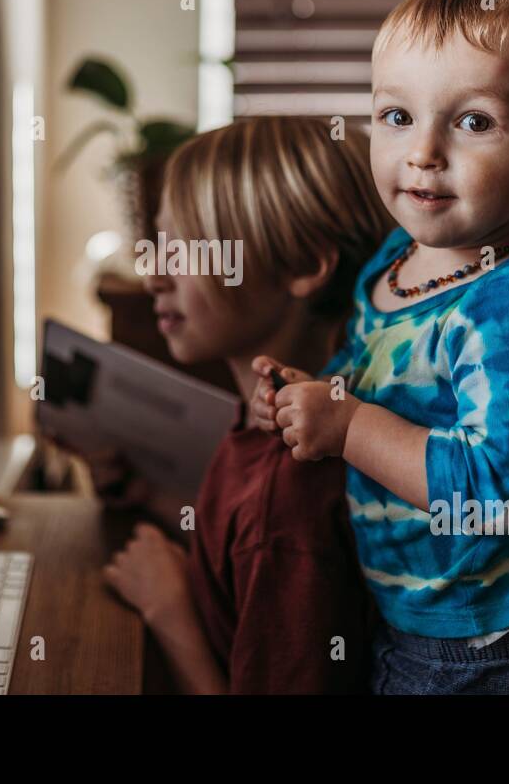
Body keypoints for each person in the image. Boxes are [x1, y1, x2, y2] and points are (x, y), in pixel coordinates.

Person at [253, 0, 509, 694]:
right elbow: (368, 377)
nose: (423, 152)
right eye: (397, 115)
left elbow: (490, 493)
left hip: (497, 656)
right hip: (412, 622)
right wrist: (313, 401)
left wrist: (348, 427)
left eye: (473, 121)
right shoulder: (396, 260)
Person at [102, 115, 393, 693]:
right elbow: (245, 551)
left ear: (305, 264)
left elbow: (270, 537)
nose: (155, 274)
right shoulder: (284, 417)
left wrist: (169, 608)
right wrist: (151, 497)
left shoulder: (293, 485)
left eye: (185, 249)